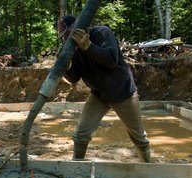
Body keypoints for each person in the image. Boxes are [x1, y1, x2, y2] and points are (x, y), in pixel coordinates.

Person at [56, 15, 151, 163]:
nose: (66, 39)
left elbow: (111, 60)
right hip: (99, 95)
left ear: (78, 27)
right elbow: (74, 78)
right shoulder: (73, 49)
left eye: (68, 34)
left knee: (139, 137)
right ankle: (76, 166)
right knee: (81, 134)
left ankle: (148, 168)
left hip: (123, 92)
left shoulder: (101, 33)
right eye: (64, 37)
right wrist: (66, 67)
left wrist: (88, 46)